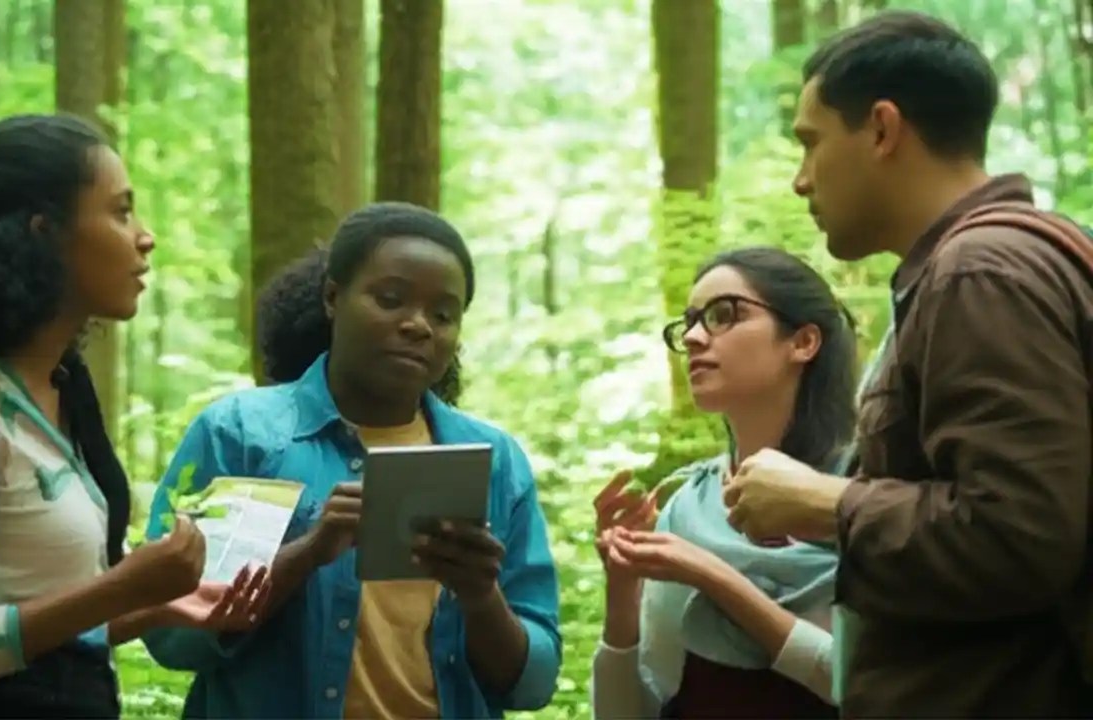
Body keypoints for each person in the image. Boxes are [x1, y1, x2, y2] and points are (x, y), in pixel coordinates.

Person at [722, 11, 1093, 717]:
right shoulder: (993, 266)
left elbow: (1022, 534)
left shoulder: (979, 274)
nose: (802, 180)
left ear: (883, 129)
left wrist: (829, 504)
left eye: (811, 143)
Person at [0, 113, 267, 718]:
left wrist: (155, 605)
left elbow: (42, 631)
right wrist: (120, 587)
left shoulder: (63, 395)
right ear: (44, 232)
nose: (145, 236)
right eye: (121, 211)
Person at [142, 201, 562, 719]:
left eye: (443, 314)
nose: (418, 326)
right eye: (390, 299)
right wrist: (309, 552)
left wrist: (480, 596)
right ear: (333, 298)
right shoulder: (242, 435)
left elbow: (533, 682)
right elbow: (170, 634)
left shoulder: (495, 463)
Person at [589, 246, 857, 719]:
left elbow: (865, 689)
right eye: (688, 322)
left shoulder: (861, 498)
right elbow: (629, 714)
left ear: (803, 342)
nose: (692, 337)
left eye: (722, 314)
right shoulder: (687, 508)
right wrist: (622, 589)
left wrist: (713, 576)